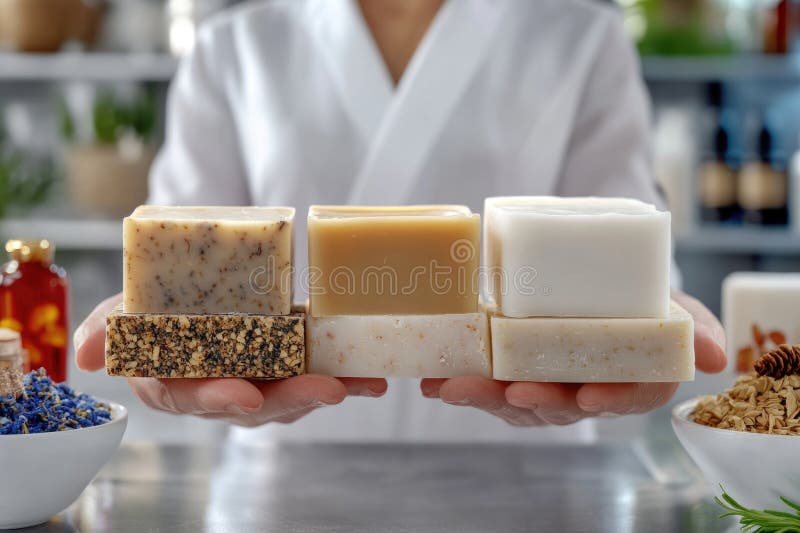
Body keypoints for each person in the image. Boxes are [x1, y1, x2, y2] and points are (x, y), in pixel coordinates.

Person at [74, 0, 726, 442]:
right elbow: (178, 259)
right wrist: (157, 332)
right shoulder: (234, 45)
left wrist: (647, 327)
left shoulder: (582, 36)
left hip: (529, 478)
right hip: (289, 479)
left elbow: (629, 250)